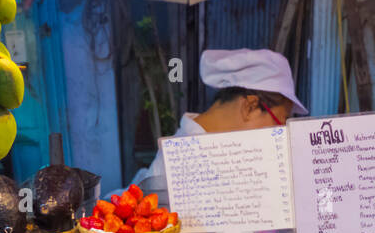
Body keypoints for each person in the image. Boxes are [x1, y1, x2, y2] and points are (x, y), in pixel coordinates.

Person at [130, 48, 307, 189]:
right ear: (250, 107)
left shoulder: (233, 153)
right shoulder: (175, 164)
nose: (281, 134)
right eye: (280, 122)